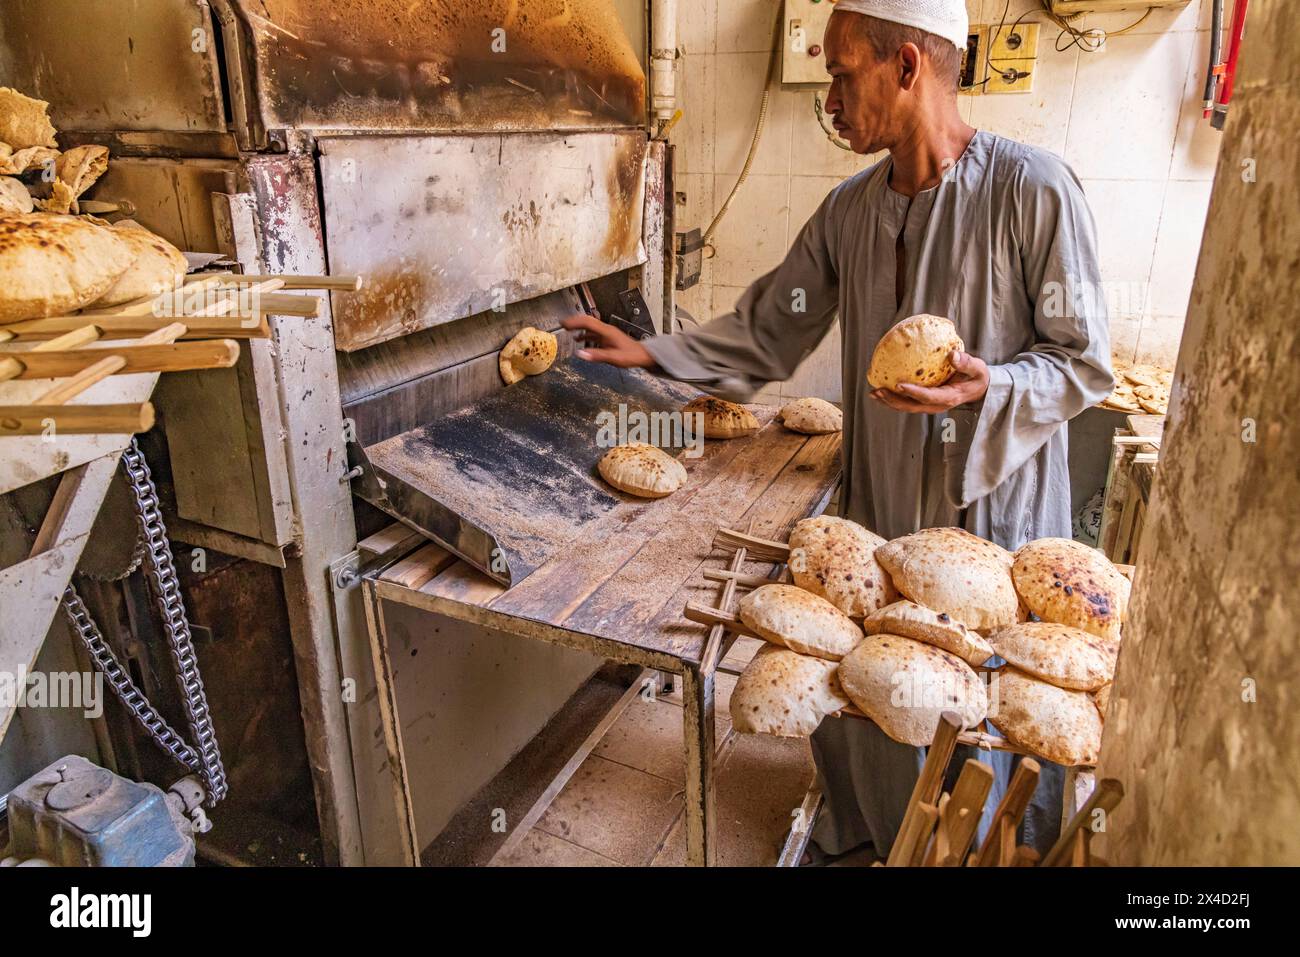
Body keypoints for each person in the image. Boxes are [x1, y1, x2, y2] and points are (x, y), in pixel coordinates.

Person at [562, 0, 1113, 860]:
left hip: (991, 522)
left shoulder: (1032, 190)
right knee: (880, 705)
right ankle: (869, 843)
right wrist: (652, 351)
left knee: (989, 722)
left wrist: (991, 383)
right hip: (883, 511)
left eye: (842, 73)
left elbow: (1084, 361)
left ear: (907, 67)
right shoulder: (850, 211)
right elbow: (769, 329)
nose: (830, 97)